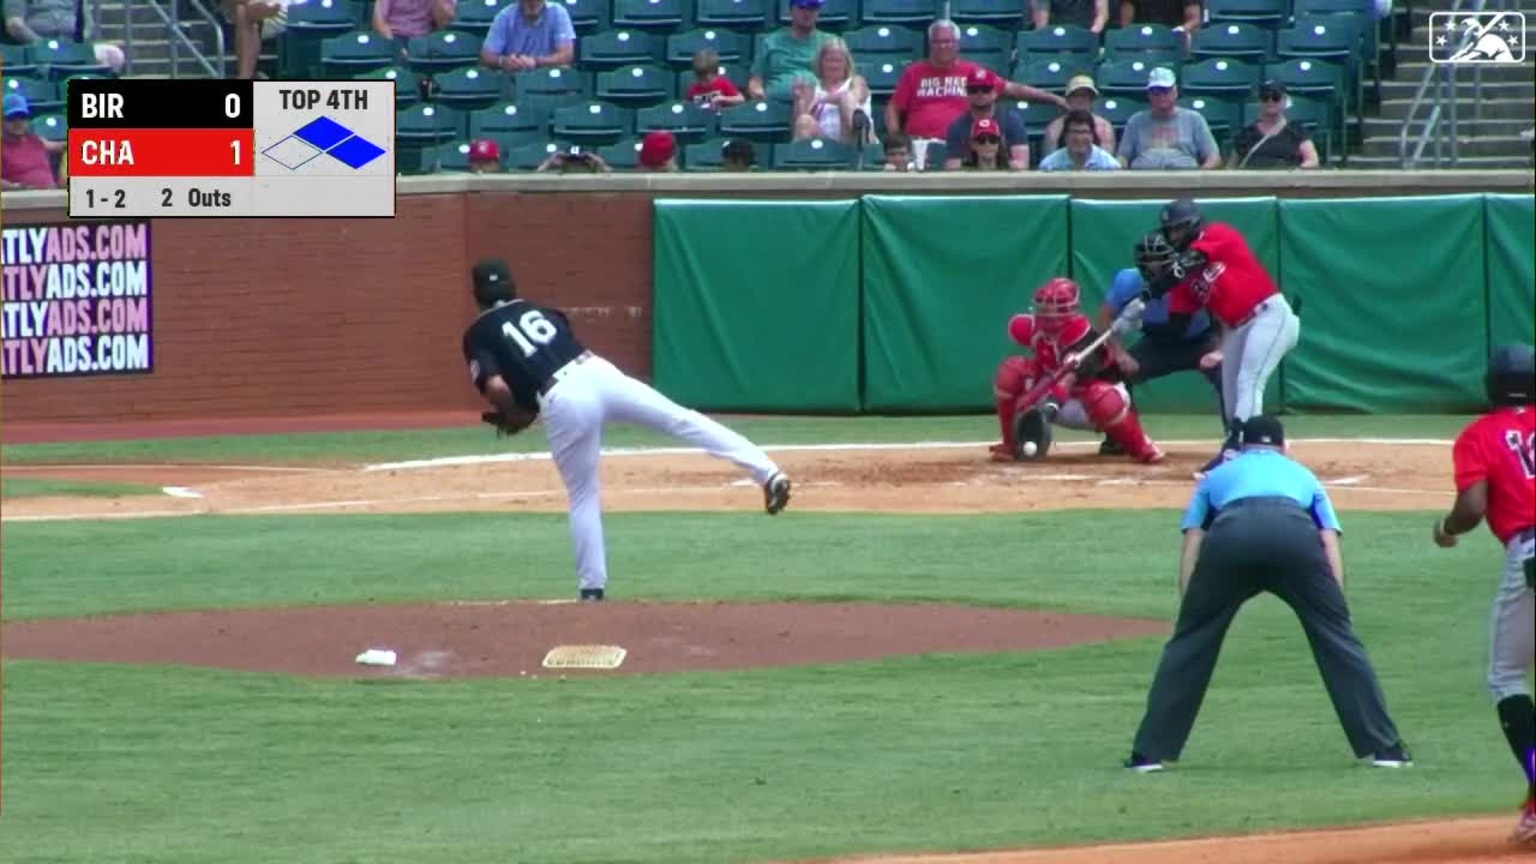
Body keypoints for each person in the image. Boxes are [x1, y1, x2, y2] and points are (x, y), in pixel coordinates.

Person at [462, 258, 793, 602]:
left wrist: (516, 413)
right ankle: (767, 472)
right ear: (512, 287)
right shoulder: (542, 311)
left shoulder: (477, 334)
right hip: (598, 371)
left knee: (583, 495)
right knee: (683, 419)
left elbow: (498, 388)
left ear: (477, 296)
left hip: (562, 399)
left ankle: (592, 590)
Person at [1124, 414, 1413, 773]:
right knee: (1339, 641)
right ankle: (1387, 750)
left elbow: (1193, 537)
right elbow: (1327, 539)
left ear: (1242, 446)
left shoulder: (1217, 476)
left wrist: (1191, 612)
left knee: (1190, 643)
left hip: (1231, 538)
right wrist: (1336, 611)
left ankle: (1148, 754)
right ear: (1283, 446)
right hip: (1295, 537)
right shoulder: (1304, 476)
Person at [1431, 344, 1536, 845]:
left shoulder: (1480, 435)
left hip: (1531, 550)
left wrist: (1446, 527)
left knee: (1507, 677)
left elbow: (1471, 509)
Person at [1143, 196, 1300, 476]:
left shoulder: (1218, 234)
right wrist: (1137, 319)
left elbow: (1191, 261)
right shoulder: (1184, 283)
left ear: (1192, 225)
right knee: (1231, 392)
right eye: (1170, 231)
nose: (1173, 236)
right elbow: (1176, 328)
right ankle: (1259, 446)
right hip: (1237, 328)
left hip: (1269, 315)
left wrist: (1151, 290)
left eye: (1178, 229)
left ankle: (1234, 452)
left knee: (1249, 381)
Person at [989, 277, 1165, 464]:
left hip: (1087, 406)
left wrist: (1043, 412)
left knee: (1103, 399)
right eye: (1043, 310)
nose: (1047, 316)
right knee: (1011, 370)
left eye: (1054, 311)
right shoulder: (1034, 329)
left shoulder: (1084, 340)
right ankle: (1010, 444)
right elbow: (1021, 335)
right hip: (1051, 392)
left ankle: (1141, 447)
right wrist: (1026, 404)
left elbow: (1066, 383)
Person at [1093, 231, 1224, 456]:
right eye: (1149, 265)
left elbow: (1223, 317)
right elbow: (1104, 320)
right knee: (1113, 372)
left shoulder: (1192, 277)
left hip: (1200, 341)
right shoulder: (1128, 280)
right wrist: (1121, 354)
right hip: (1157, 345)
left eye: (1160, 265)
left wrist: (1221, 351)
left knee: (1228, 374)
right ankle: (1120, 437)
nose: (1154, 271)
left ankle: (1237, 436)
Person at [791, 37, 872, 143]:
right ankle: (807, 158)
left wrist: (822, 99)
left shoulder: (857, 81)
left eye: (838, 61)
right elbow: (797, 129)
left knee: (846, 99)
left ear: (846, 63)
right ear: (820, 63)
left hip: (857, 140)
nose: (833, 65)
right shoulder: (812, 90)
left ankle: (857, 151)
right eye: (829, 60)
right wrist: (799, 101)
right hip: (825, 143)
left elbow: (854, 97)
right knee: (804, 121)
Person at [1228, 80, 1321, 170]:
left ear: (1284, 100)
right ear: (1259, 101)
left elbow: (1312, 160)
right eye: (1265, 97)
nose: (1270, 101)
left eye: (1276, 97)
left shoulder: (1297, 131)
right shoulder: (1245, 135)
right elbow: (1231, 167)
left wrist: (1294, 173)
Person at [479, 0, 576, 72]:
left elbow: (566, 55)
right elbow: (486, 56)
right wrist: (503, 61)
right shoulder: (505, 16)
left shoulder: (558, 13)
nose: (532, 5)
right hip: (515, 76)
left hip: (548, 72)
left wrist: (536, 62)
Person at [1037, 108, 1120, 172]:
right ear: (1065, 136)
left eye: (1084, 132)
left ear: (1092, 136)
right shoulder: (1049, 165)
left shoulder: (1110, 165)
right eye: (1074, 132)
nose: (1079, 138)